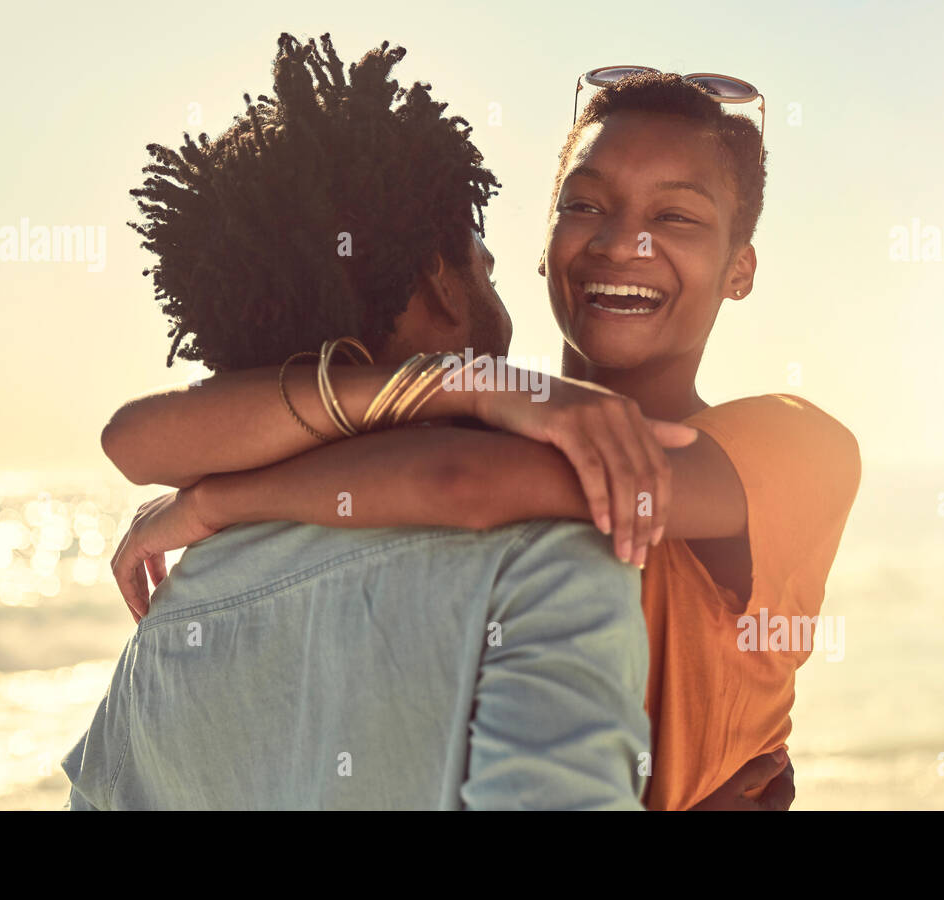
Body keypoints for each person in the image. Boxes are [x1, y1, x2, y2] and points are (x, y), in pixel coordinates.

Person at [105, 44, 845, 810]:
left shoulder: (794, 447)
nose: (625, 242)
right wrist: (472, 384)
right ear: (543, 242)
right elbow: (135, 441)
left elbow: (466, 483)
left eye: (677, 216)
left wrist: (215, 503)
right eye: (585, 205)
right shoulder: (477, 413)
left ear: (740, 269)